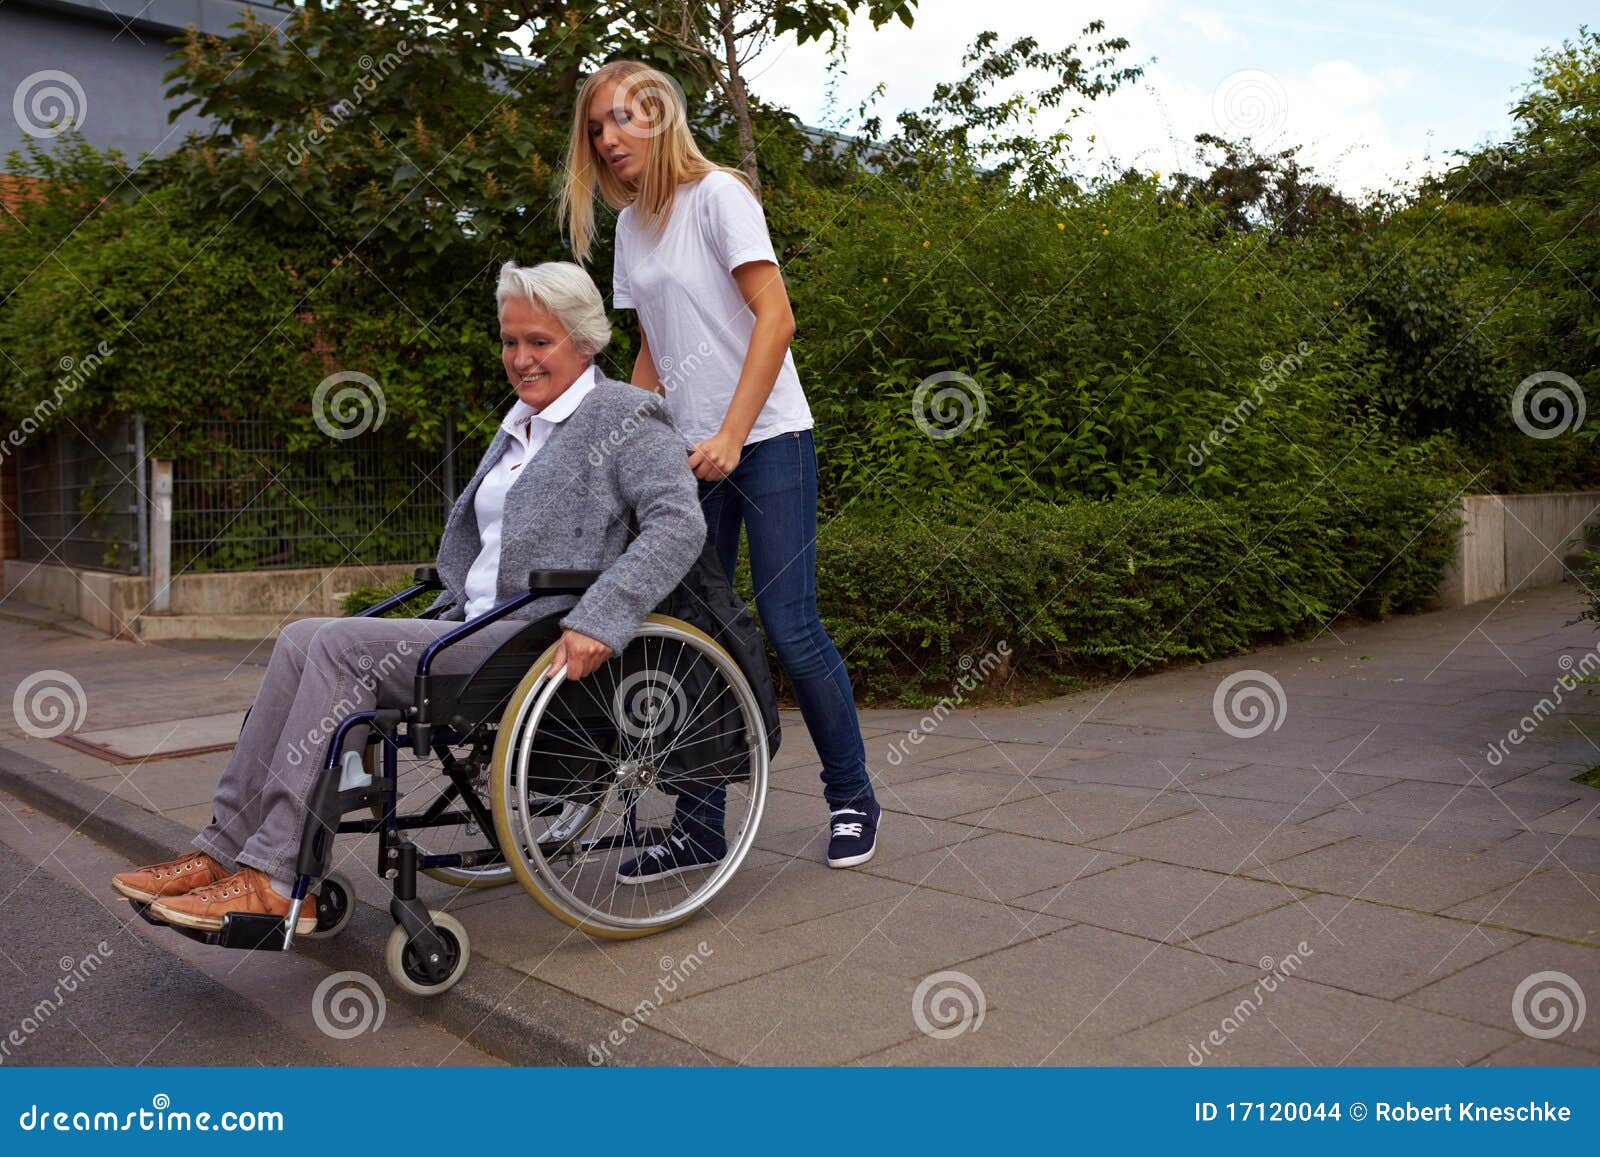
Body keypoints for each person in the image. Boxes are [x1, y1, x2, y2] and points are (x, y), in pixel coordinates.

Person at [110, 260, 706, 931]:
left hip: (533, 636)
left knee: (335, 647)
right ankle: (222, 850)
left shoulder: (623, 413)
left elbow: (678, 524)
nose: (520, 357)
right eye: (510, 341)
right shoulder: (521, 423)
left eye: (539, 341)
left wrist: (605, 615)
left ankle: (279, 877)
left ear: (585, 340)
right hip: (474, 624)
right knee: (301, 636)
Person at [562, 60, 881, 876]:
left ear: (661, 118)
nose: (608, 139)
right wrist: (624, 448)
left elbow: (776, 317)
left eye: (623, 118)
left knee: (789, 624)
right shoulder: (634, 229)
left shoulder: (719, 197)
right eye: (597, 128)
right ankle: (699, 827)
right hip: (688, 456)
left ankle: (852, 799)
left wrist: (734, 433)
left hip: (769, 438)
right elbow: (653, 352)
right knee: (695, 639)